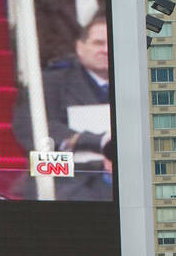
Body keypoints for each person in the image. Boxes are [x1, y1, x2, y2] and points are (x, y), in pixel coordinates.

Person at [11, 14, 113, 201]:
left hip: (126, 174)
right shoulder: (48, 82)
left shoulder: (138, 84)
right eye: (98, 43)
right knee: (41, 166)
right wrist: (95, 142)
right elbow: (29, 129)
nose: (106, 50)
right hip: (68, 177)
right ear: (80, 47)